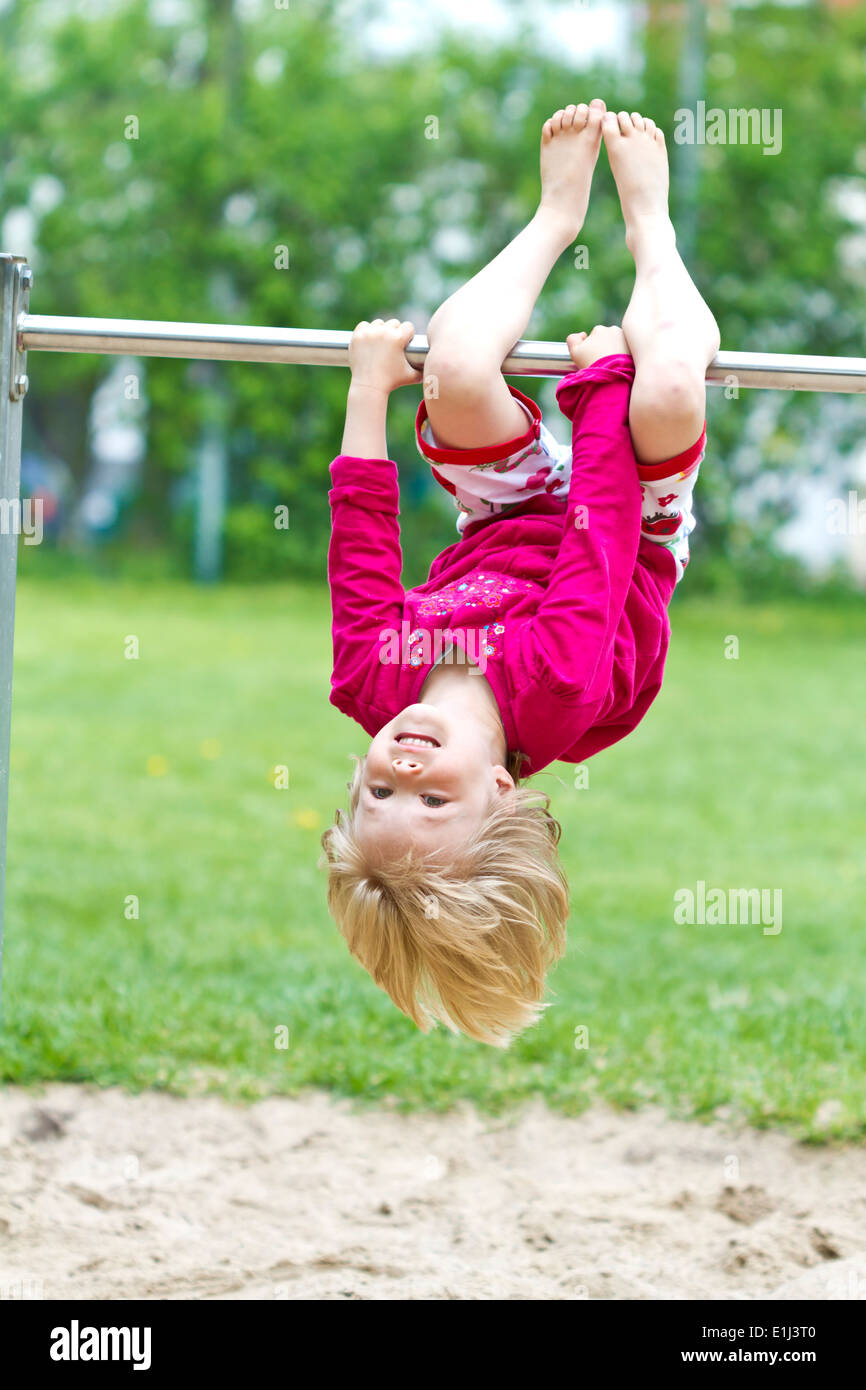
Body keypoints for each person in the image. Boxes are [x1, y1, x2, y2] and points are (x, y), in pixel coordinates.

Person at [321, 99, 720, 1047]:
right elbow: (604, 538)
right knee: (664, 390)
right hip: (629, 540)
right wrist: (599, 396)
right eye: (432, 799)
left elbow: (364, 541)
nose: (402, 771)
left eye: (378, 794)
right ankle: (651, 226)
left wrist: (369, 390)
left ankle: (555, 217)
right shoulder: (557, 689)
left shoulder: (370, 679)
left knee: (456, 368)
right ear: (499, 791)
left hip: (502, 519)